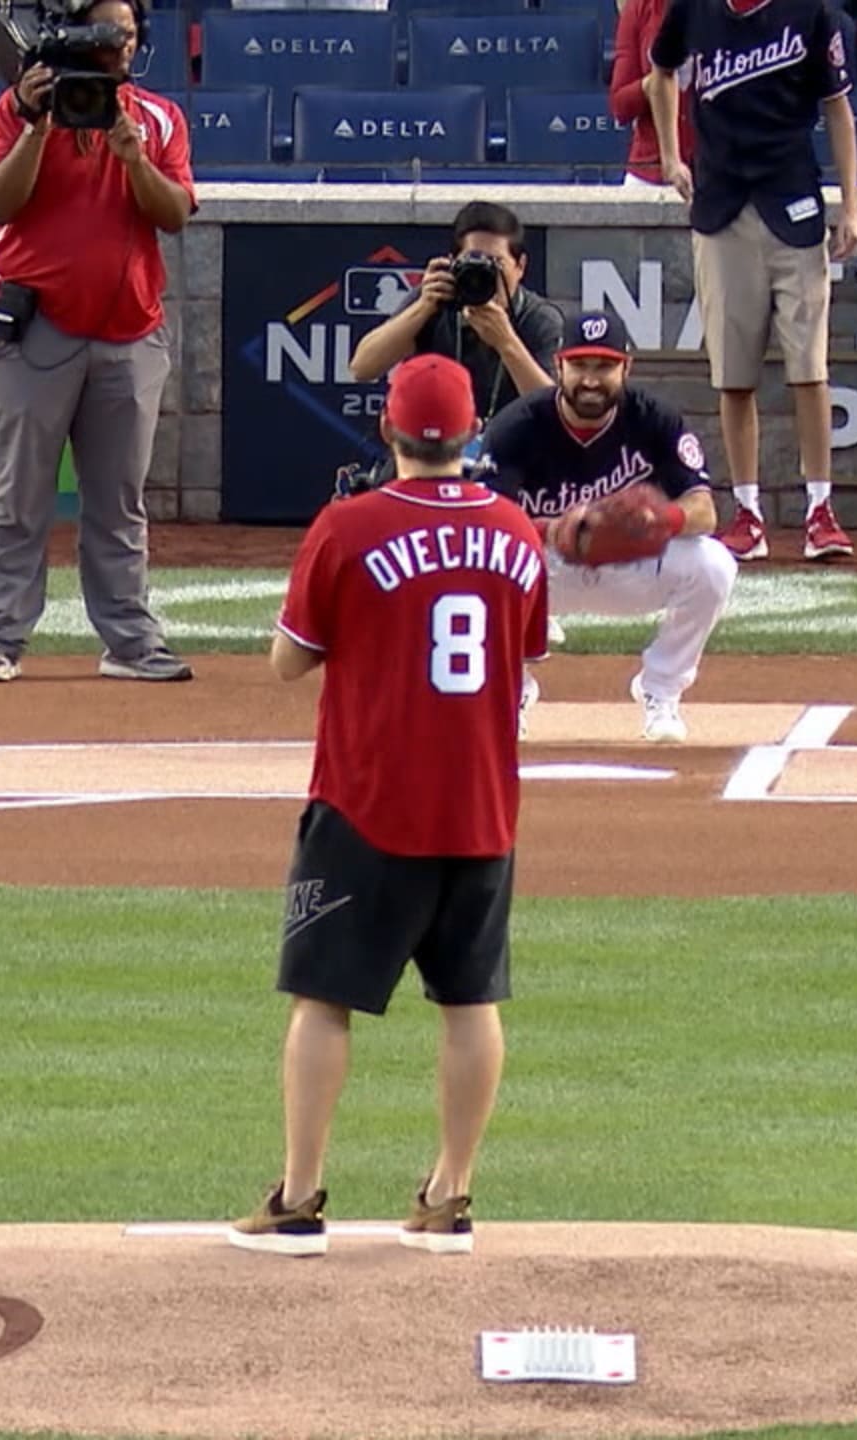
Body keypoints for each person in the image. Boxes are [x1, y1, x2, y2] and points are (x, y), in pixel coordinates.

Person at [230, 354, 552, 1260]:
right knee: (471, 1001)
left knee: (323, 1001)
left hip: (366, 802)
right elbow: (525, 652)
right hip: (480, 805)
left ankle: (299, 1199)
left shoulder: (349, 524)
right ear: (472, 435)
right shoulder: (515, 531)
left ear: (389, 430)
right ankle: (450, 1197)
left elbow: (289, 661)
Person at [0, 0, 196, 685]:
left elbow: (174, 214)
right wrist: (36, 126)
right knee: (18, 496)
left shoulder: (157, 119)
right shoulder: (19, 110)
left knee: (120, 501)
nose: (120, 45)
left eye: (129, 33)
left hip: (130, 331)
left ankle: (130, 642)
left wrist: (134, 158)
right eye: (107, 32)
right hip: (36, 328)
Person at [646, 0, 857, 566]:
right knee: (734, 374)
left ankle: (820, 508)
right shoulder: (694, 10)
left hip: (792, 200)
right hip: (721, 205)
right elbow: (659, 73)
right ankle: (747, 511)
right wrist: (670, 156)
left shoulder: (811, 12)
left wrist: (851, 206)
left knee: (809, 368)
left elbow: (838, 108)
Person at [483, 310, 735, 745]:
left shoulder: (654, 418)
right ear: (558, 366)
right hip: (547, 571)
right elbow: (488, 519)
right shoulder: (518, 425)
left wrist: (658, 521)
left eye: (604, 366)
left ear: (626, 368)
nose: (590, 380)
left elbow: (704, 511)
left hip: (628, 562)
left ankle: (661, 690)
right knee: (482, 561)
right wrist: (555, 530)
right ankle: (511, 693)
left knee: (714, 565)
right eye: (579, 365)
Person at [348, 200, 566, 424]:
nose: (484, 274)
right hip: (437, 438)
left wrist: (506, 342)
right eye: (474, 261)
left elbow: (553, 415)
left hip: (513, 440)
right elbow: (362, 368)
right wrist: (422, 308)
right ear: (453, 262)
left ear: (520, 266)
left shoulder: (539, 318)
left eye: (496, 263)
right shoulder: (435, 300)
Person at [609, 0, 695, 187]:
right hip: (649, 172)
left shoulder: (723, 9)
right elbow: (620, 106)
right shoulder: (638, 8)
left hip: (716, 171)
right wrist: (653, 85)